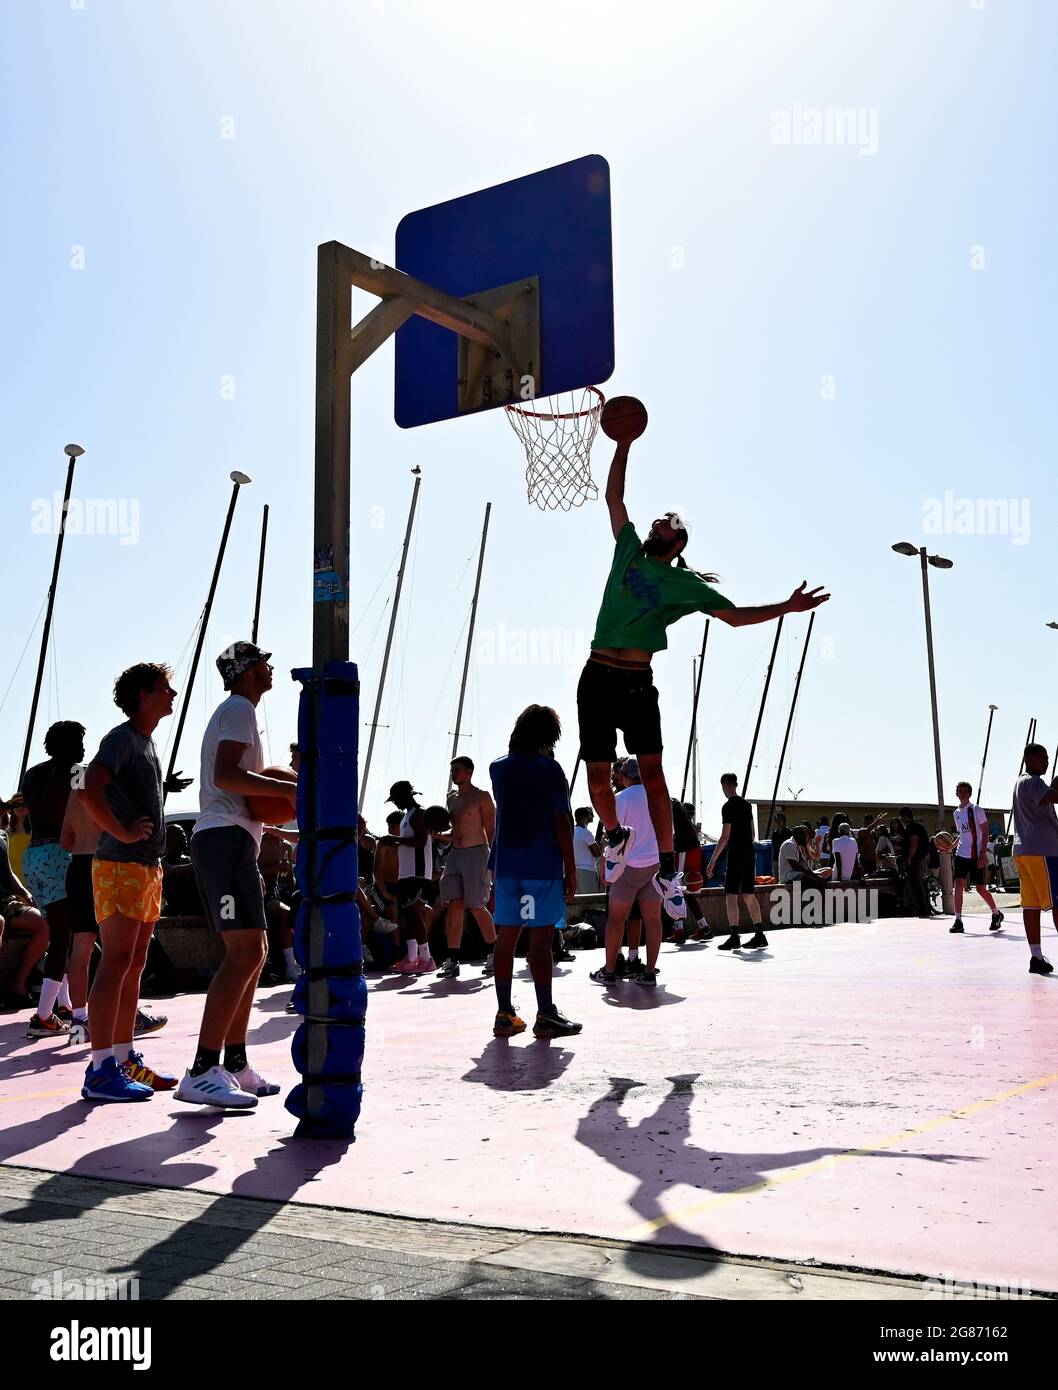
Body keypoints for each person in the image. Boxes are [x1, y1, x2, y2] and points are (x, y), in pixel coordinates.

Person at [577, 429, 829, 923]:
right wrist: (623, 444)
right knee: (598, 778)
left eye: (668, 524)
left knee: (654, 776)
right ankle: (614, 838)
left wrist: (788, 607)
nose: (657, 524)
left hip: (635, 680)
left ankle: (668, 872)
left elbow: (734, 618)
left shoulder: (685, 584)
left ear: (678, 541)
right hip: (597, 674)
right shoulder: (627, 547)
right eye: (658, 520)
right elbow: (613, 496)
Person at [174, 641, 298, 1109]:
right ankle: (203, 1070)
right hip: (222, 841)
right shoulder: (239, 709)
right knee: (243, 952)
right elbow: (227, 777)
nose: (271, 668)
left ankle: (236, 1063)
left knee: (257, 951)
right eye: (264, 662)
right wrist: (292, 788)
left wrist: (287, 823)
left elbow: (242, 793)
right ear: (247, 671)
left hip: (235, 839)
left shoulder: (241, 710)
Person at [79, 664, 178, 1101]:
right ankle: (100, 1067)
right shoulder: (121, 739)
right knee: (117, 961)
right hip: (120, 864)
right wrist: (119, 831)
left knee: (135, 962)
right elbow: (85, 785)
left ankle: (122, 1057)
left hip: (144, 865)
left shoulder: (145, 742)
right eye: (163, 688)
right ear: (144, 694)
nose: (172, 693)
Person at [488, 704, 581, 1039]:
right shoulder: (551, 770)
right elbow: (561, 822)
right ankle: (546, 1013)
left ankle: (504, 1012)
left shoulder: (497, 769)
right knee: (540, 940)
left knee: (507, 937)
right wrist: (571, 867)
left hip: (506, 865)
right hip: (540, 864)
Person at [20, 721, 85, 1038]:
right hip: (59, 855)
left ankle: (64, 1004)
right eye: (80, 742)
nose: (84, 749)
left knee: (64, 933)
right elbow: (102, 801)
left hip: (32, 857)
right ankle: (43, 1015)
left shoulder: (31, 775)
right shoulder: (76, 772)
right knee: (64, 938)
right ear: (68, 744)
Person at [590, 756, 664, 987]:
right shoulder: (658, 797)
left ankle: (610, 971)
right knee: (653, 920)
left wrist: (604, 863)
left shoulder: (620, 799)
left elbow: (612, 836)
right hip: (654, 865)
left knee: (615, 920)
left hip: (626, 868)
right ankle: (649, 972)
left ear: (624, 777)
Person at [437, 756, 497, 980]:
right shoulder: (451, 799)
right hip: (455, 855)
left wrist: (495, 862)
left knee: (476, 905)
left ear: (469, 772)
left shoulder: (482, 796)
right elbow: (454, 831)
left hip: (477, 853)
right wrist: (440, 836)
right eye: (452, 770)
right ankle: (452, 959)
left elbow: (490, 830)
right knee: (454, 905)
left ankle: (494, 952)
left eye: (458, 770)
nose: (454, 773)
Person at [59, 771, 102, 1046]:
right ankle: (126, 1013)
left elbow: (65, 840)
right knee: (116, 946)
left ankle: (79, 1019)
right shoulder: (103, 780)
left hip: (77, 866)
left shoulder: (76, 787)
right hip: (104, 864)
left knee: (81, 945)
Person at [1009, 745, 1058, 975]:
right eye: (1042, 758)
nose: (1046, 762)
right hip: (1043, 850)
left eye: (1047, 758)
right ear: (1029, 759)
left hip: (1023, 851)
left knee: (1031, 905)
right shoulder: (1035, 781)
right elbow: (1052, 796)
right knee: (1057, 902)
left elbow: (1046, 797)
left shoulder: (1020, 782)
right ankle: (1037, 957)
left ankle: (1036, 957)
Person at [708, 773, 767, 951]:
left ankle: (734, 936)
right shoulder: (747, 805)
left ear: (724, 785)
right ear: (736, 784)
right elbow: (752, 834)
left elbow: (725, 836)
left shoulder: (728, 807)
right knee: (749, 894)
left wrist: (712, 862)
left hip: (736, 854)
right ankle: (759, 934)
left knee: (731, 895)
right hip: (749, 853)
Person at [385, 780, 437, 975]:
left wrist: (395, 840)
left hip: (417, 873)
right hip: (407, 874)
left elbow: (421, 841)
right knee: (408, 916)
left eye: (396, 799)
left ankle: (426, 958)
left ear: (406, 796)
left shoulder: (419, 814)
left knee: (414, 914)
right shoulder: (407, 815)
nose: (395, 804)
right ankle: (413, 957)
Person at [0, 816, 49, 1008]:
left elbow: (10, 872)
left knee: (43, 923)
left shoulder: (3, 835)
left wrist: (27, 894)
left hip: (6, 901)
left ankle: (18, 984)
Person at [949, 781, 1003, 935]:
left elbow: (985, 832)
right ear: (957, 793)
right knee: (958, 884)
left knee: (980, 888)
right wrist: (951, 846)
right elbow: (961, 835)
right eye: (960, 791)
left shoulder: (977, 810)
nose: (962, 793)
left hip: (976, 854)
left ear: (970, 794)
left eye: (965, 791)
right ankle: (958, 920)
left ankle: (996, 913)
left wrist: (981, 856)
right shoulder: (956, 813)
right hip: (961, 854)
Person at [898, 807, 931, 918]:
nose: (901, 819)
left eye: (902, 816)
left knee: (915, 883)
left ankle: (922, 909)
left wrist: (909, 858)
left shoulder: (912, 827)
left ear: (906, 816)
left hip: (914, 859)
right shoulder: (914, 827)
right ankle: (922, 907)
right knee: (917, 883)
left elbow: (914, 842)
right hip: (918, 858)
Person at [573, 807, 602, 895]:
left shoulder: (572, 831)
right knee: (591, 902)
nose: (592, 816)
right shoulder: (586, 833)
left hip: (574, 871)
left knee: (577, 902)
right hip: (587, 871)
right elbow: (598, 853)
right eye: (590, 814)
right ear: (586, 817)